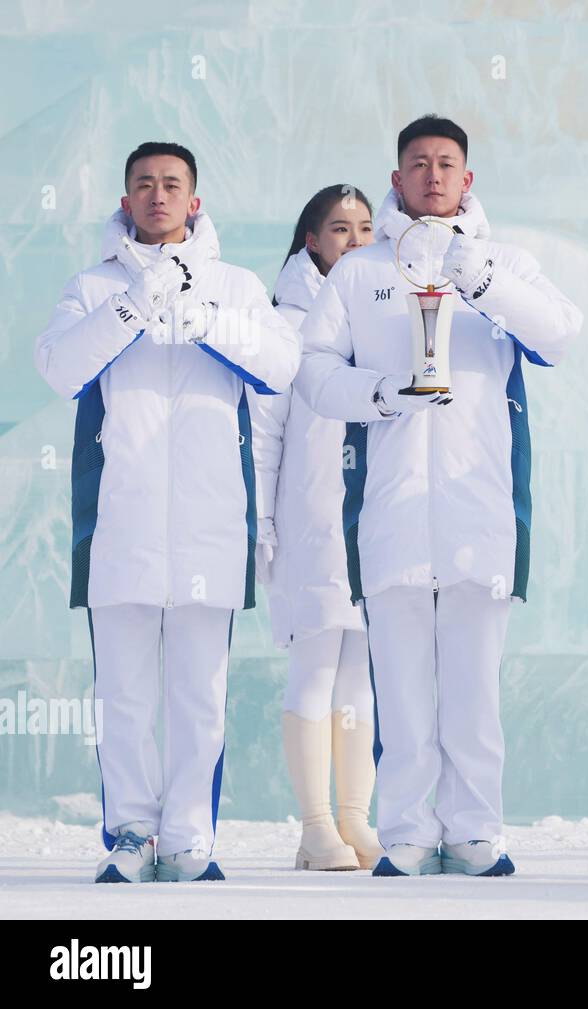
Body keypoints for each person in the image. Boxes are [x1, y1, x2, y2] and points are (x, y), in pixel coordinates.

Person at [295, 115, 582, 877]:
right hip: (391, 509)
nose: (431, 175)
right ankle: (409, 831)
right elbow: (315, 372)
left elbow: (558, 334)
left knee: (472, 685)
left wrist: (477, 277)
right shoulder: (360, 273)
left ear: (467, 178)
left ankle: (476, 829)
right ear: (396, 178)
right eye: (417, 163)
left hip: (477, 506)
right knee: (403, 686)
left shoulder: (506, 262)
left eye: (446, 163)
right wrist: (385, 393)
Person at [34, 141, 301, 882]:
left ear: (195, 200)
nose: (158, 195)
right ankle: (129, 832)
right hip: (119, 525)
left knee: (198, 693)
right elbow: (58, 367)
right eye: (144, 185)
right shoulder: (93, 287)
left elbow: (282, 367)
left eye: (172, 184)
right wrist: (135, 304)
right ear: (125, 201)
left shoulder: (237, 285)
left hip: (210, 528)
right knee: (121, 693)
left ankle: (187, 837)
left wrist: (199, 312)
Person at [250, 184, 384, 871]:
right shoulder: (287, 320)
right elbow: (265, 431)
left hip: (370, 520)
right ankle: (314, 824)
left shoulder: (380, 314)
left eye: (365, 227)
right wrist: (264, 524)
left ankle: (356, 816)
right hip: (310, 518)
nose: (356, 240)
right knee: (315, 665)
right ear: (311, 241)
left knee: (360, 669)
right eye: (340, 229)